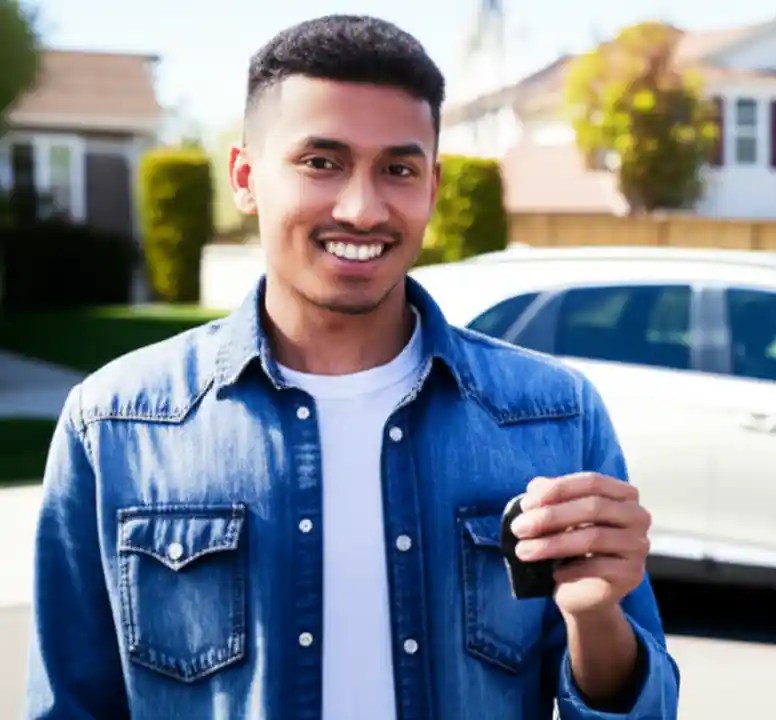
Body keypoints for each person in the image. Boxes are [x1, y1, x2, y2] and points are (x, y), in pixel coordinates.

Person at [24, 14, 679, 720]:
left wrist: (594, 618)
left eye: (398, 169)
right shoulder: (116, 425)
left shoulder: (555, 414)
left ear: (432, 186)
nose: (363, 208)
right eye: (321, 163)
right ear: (246, 178)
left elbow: (642, 711)